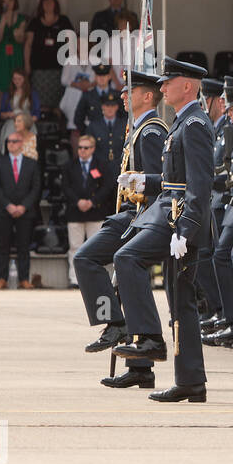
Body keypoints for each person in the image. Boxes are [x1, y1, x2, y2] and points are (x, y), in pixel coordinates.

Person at [111, 57, 214, 403]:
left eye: (168, 82)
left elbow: (200, 186)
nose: (162, 87)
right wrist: (144, 180)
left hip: (179, 224)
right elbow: (174, 182)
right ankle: (191, 381)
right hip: (171, 219)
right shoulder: (181, 122)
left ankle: (148, 337)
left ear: (187, 86)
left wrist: (187, 229)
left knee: (127, 257)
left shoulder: (195, 124)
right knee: (181, 302)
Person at [75, 66, 168, 389]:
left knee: (90, 260)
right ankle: (139, 365)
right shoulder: (137, 128)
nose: (122, 96)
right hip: (128, 214)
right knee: (113, 278)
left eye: (129, 92)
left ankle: (114, 323)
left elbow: (163, 185)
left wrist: (139, 184)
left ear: (146, 96)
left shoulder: (152, 131)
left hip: (138, 216)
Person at [0, 126, 40, 289]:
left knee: (23, 246)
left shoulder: (31, 163)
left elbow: (36, 188)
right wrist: (9, 206)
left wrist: (24, 206)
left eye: (14, 141)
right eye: (9, 141)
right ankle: (2, 278)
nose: (11, 144)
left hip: (25, 211)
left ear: (21, 143)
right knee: (3, 245)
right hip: (4, 211)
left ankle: (24, 278)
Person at [61, 132, 112, 288]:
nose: (82, 151)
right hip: (75, 212)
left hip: (95, 211)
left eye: (86, 148)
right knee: (75, 246)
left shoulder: (101, 165)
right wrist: (78, 201)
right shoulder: (70, 166)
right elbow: (66, 187)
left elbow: (107, 186)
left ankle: (96, 279)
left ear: (92, 149)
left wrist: (92, 201)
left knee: (96, 247)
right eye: (80, 148)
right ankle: (74, 279)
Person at [24, 0, 71, 107]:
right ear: (41, 5)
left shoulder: (63, 20)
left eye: (51, 2)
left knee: (58, 98)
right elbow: (28, 44)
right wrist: (26, 64)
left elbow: (71, 43)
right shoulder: (35, 22)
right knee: (39, 98)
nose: (48, 5)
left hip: (59, 67)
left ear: (56, 4)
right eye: (45, 2)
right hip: (39, 67)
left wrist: (71, 64)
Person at [0, 0, 27, 92]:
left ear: (15, 2)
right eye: (4, 1)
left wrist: (17, 35)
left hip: (15, 55)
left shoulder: (21, 18)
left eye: (10, 0)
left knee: (16, 85)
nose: (7, 4)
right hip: (1, 55)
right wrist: (3, 21)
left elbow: (21, 40)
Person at [0, 69, 41, 138]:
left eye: (19, 79)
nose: (17, 81)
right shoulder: (7, 94)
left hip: (28, 122)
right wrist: (9, 114)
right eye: (14, 79)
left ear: (25, 79)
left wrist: (27, 121)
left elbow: (37, 113)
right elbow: (1, 114)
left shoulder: (33, 94)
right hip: (12, 122)